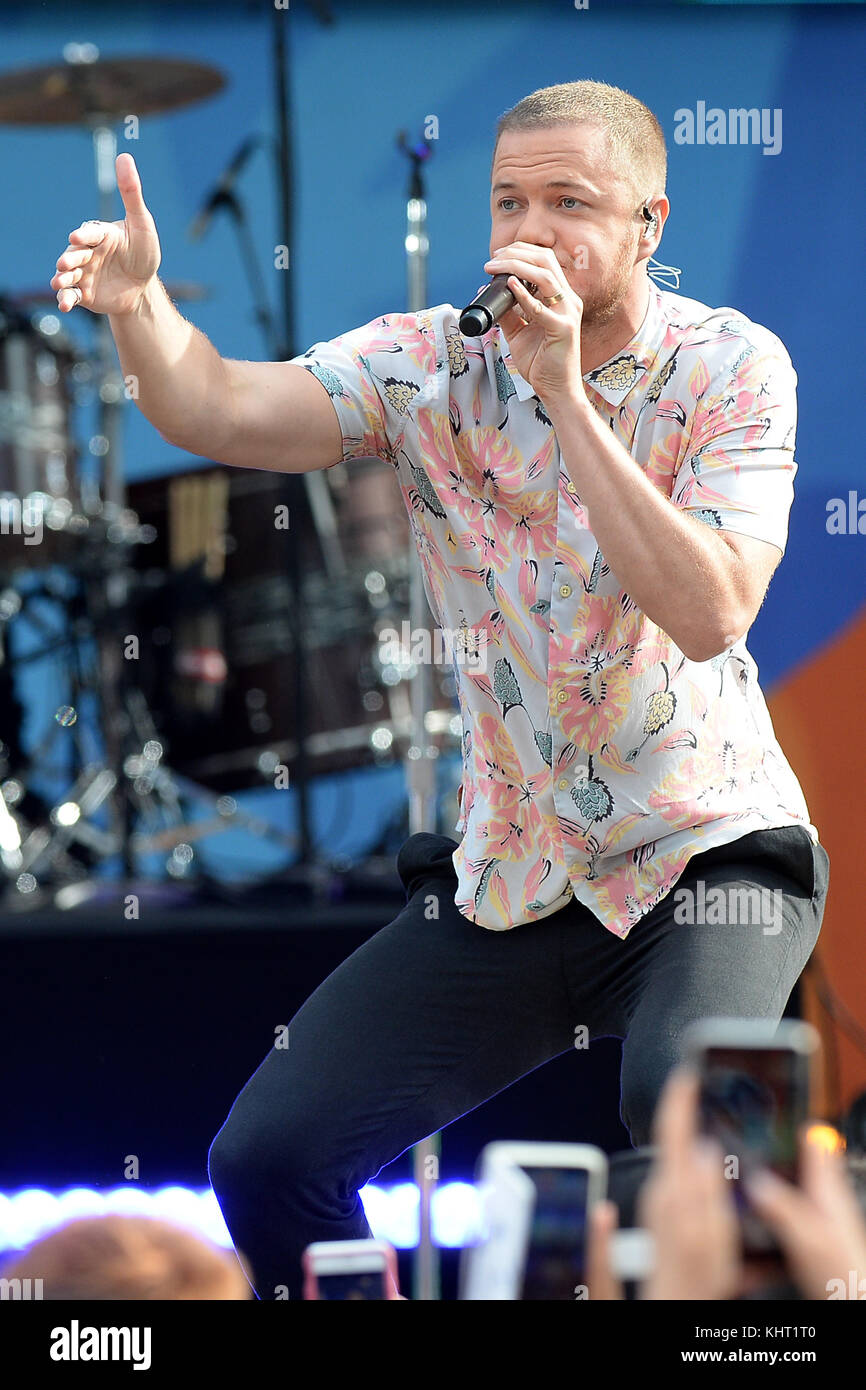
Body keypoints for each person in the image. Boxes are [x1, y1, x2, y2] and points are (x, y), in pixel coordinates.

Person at [51, 79, 830, 1301]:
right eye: (509, 199)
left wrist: (564, 392)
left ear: (649, 225)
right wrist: (139, 303)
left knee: (704, 1135)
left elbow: (709, 609)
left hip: (705, 855)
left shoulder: (729, 365)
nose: (531, 228)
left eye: (570, 202)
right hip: (514, 875)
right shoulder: (427, 364)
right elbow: (216, 404)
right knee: (268, 1159)